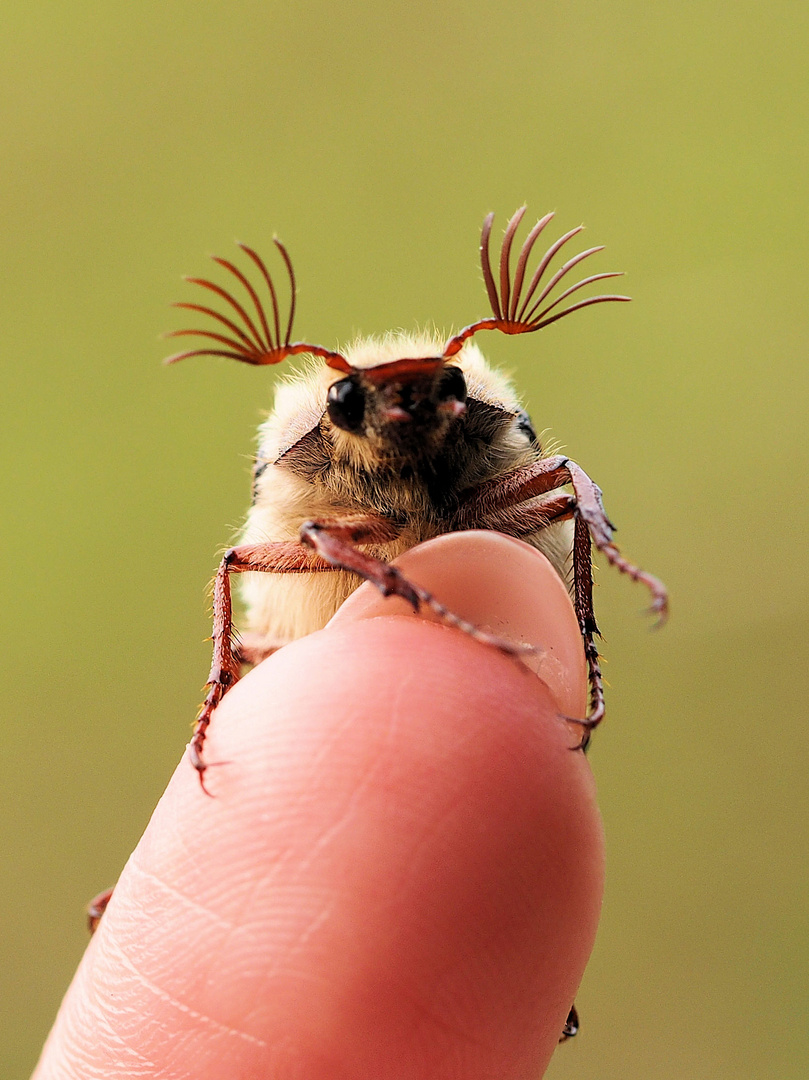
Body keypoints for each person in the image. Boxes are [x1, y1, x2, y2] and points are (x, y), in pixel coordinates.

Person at [33, 533, 604, 1079]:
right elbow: (248, 559)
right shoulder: (318, 457)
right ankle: (201, 856)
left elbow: (565, 488)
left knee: (497, 755)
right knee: (312, 741)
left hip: (488, 660)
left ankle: (512, 929)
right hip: (328, 627)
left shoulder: (482, 449)